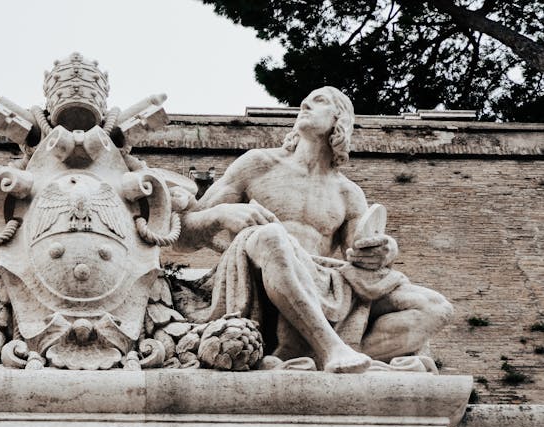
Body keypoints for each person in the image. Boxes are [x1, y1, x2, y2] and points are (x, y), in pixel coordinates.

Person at [179, 86, 452, 373]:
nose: (305, 104)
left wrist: (384, 250)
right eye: (304, 101)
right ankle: (331, 348)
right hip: (260, 282)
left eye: (318, 101)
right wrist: (223, 213)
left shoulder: (349, 193)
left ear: (340, 119)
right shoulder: (258, 164)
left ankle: (320, 354)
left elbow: (360, 256)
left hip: (322, 278)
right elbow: (183, 236)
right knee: (271, 235)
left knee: (436, 307)